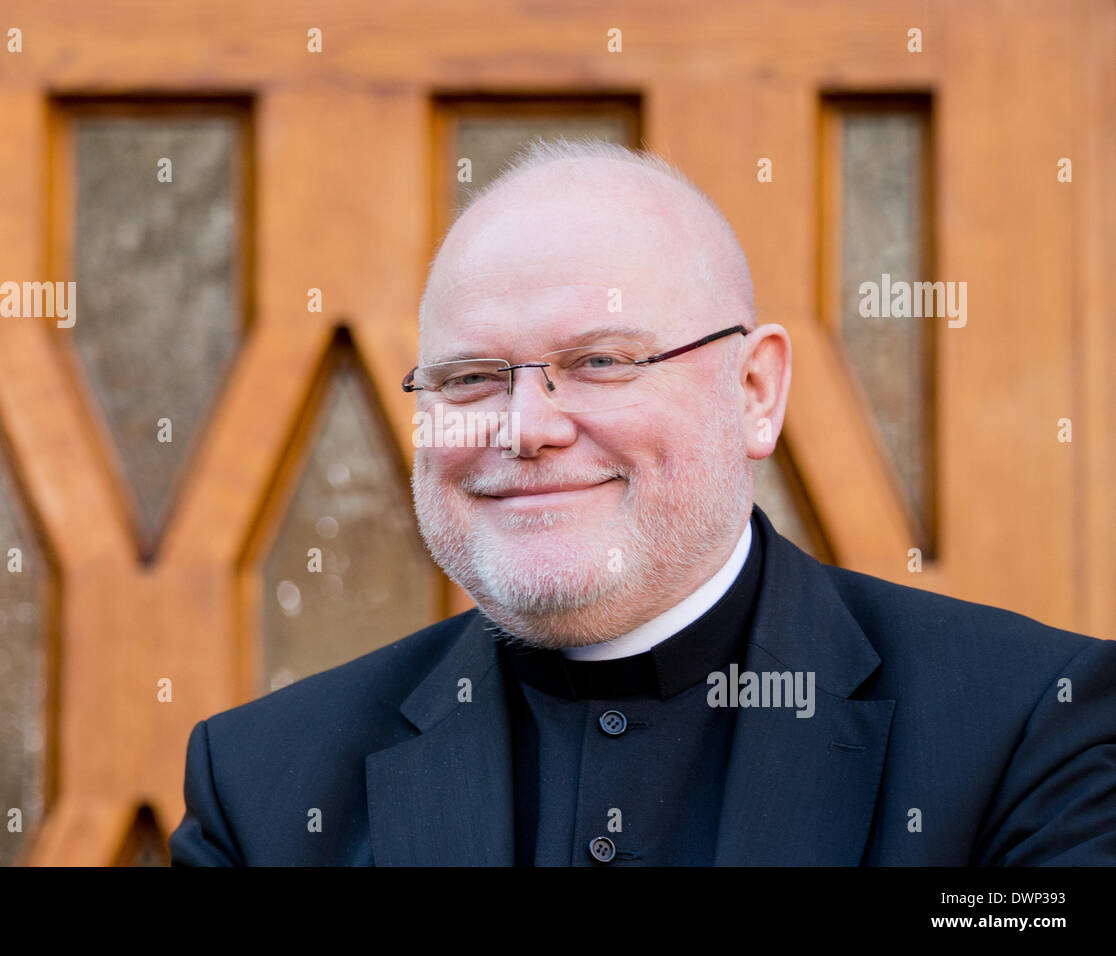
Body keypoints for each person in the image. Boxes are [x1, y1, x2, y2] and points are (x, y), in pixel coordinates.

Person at [169, 138, 1116, 865]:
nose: (525, 426)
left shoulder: (1032, 729)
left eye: (601, 362)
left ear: (755, 392)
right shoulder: (261, 789)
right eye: (469, 378)